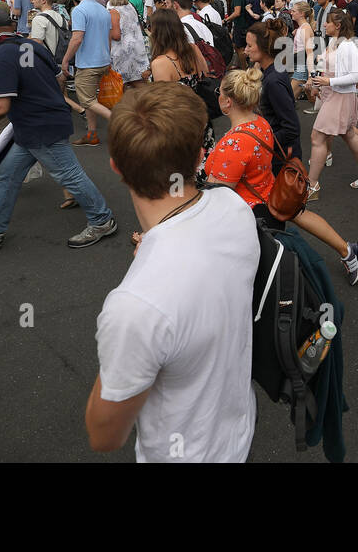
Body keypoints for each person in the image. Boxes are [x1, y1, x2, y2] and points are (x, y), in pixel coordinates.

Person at [87, 82, 258, 463]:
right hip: (237, 431)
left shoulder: (133, 307)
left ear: (115, 165)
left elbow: (104, 435)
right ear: (200, 155)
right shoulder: (234, 208)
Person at [0, 8, 118, 251]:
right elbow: (59, 78)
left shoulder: (0, 57)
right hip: (37, 124)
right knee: (7, 173)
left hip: (39, 127)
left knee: (69, 175)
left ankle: (102, 220)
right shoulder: (30, 45)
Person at [204, 65, 358, 283]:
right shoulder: (260, 123)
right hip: (270, 191)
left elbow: (216, 197)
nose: (217, 97)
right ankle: (347, 250)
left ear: (227, 101)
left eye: (218, 93)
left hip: (251, 216)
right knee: (300, 215)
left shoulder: (232, 144)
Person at [303, 10, 358, 202]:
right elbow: (327, 69)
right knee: (348, 133)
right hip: (333, 94)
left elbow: (357, 76)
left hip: (339, 96)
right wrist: (318, 83)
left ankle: (312, 185)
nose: (324, 25)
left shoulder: (347, 46)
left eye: (328, 22)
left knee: (317, 137)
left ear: (338, 25)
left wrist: (327, 82)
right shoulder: (335, 42)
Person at [61, 0, 113, 145]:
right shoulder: (102, 9)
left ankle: (122, 123)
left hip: (88, 63)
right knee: (91, 99)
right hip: (103, 60)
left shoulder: (79, 10)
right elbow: (109, 37)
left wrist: (66, 59)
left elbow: (77, 38)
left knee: (87, 100)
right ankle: (92, 134)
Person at [244, 20, 301, 164]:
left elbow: (291, 128)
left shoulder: (273, 80)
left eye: (250, 46)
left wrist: (260, 142)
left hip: (280, 159)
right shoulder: (270, 72)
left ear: (264, 48)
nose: (246, 50)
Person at [107, 0, 149, 88]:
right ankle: (148, 100)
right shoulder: (130, 6)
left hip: (122, 51)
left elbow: (116, 35)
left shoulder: (113, 11)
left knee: (121, 83)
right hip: (136, 48)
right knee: (138, 81)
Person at [288, 1, 315, 101]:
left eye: (294, 11)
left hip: (302, 66)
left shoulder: (305, 29)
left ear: (302, 14)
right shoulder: (302, 28)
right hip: (299, 64)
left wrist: (310, 76)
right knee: (311, 97)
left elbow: (310, 53)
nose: (291, 12)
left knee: (288, 100)